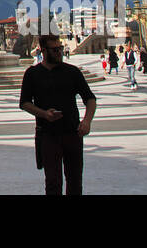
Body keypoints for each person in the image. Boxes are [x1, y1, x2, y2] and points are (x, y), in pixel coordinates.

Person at [19, 33, 97, 195]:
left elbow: (90, 99)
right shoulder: (32, 74)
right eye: (54, 50)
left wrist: (87, 121)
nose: (59, 52)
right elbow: (24, 103)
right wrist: (43, 114)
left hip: (73, 133)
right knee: (53, 181)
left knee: (75, 180)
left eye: (60, 49)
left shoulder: (72, 72)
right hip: (47, 134)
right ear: (43, 51)